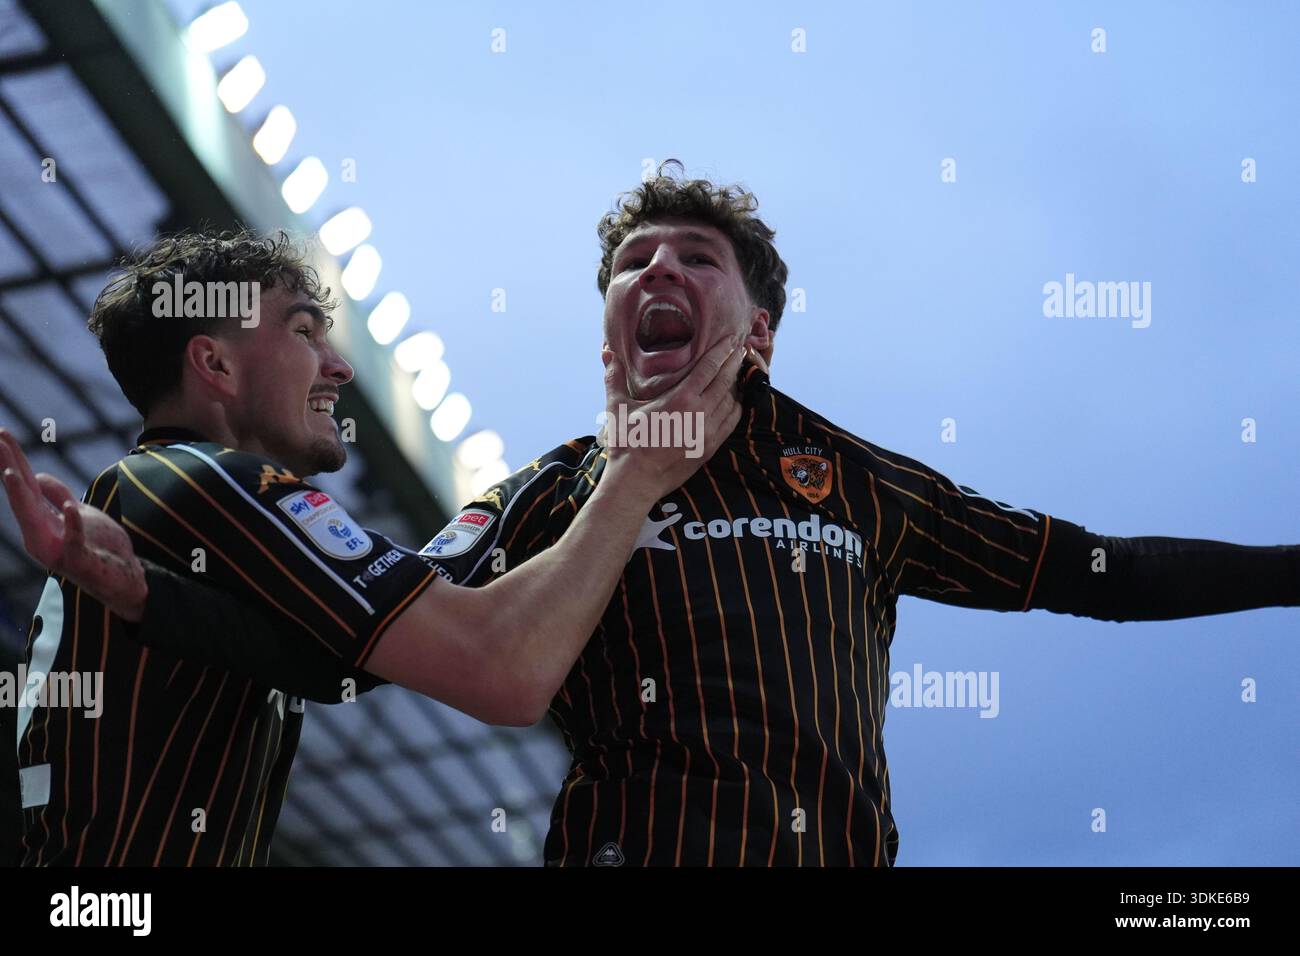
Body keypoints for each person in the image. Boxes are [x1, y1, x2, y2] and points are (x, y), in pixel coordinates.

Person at [10, 165, 1298, 867]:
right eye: (635, 262)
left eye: (695, 258)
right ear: (609, 329)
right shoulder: (544, 492)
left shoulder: (854, 478)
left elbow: (1102, 568)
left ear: (763, 329)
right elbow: (344, 652)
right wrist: (157, 598)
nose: (658, 272)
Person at [0, 228, 742, 865]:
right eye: (302, 331)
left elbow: (331, 660)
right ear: (215, 366)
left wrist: (585, 471)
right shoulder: (207, 480)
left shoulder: (164, 499)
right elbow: (500, 667)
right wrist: (633, 470)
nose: (339, 365)